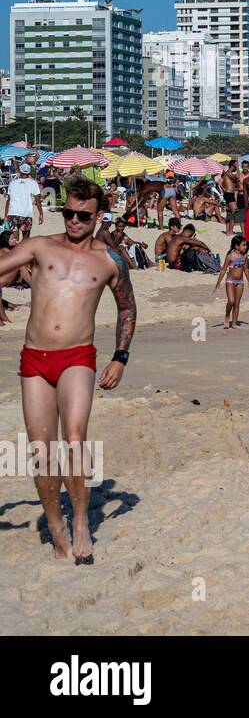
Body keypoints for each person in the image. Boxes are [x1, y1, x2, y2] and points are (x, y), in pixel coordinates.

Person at [0, 175, 136, 564]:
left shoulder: (109, 260)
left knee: (74, 440)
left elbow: (127, 307)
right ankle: (54, 523)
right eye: (69, 213)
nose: (74, 221)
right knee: (41, 451)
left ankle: (80, 522)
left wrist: (120, 357)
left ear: (98, 216)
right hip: (35, 359)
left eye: (83, 215)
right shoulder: (41, 247)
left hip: (78, 357)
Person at [213, 235, 249, 329]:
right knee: (231, 301)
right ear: (236, 246)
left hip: (240, 282)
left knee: (237, 303)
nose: (245, 247)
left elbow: (246, 269)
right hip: (230, 281)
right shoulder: (230, 256)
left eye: (246, 245)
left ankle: (234, 323)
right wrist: (218, 283)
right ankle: (227, 315)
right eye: (243, 245)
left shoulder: (245, 256)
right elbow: (223, 270)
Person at [4, 163, 44, 241]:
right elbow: (37, 200)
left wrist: (6, 214)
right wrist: (41, 213)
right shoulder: (33, 183)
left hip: (13, 213)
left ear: (19, 171)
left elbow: (9, 200)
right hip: (26, 214)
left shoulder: (12, 183)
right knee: (25, 241)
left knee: (15, 240)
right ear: (29, 172)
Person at [220, 162, 240, 236]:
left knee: (229, 213)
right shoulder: (228, 172)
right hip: (229, 194)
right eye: (235, 165)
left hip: (228, 193)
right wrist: (237, 168)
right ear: (233, 165)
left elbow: (223, 183)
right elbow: (238, 176)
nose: (236, 167)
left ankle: (228, 232)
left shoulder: (228, 173)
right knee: (234, 212)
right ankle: (230, 231)